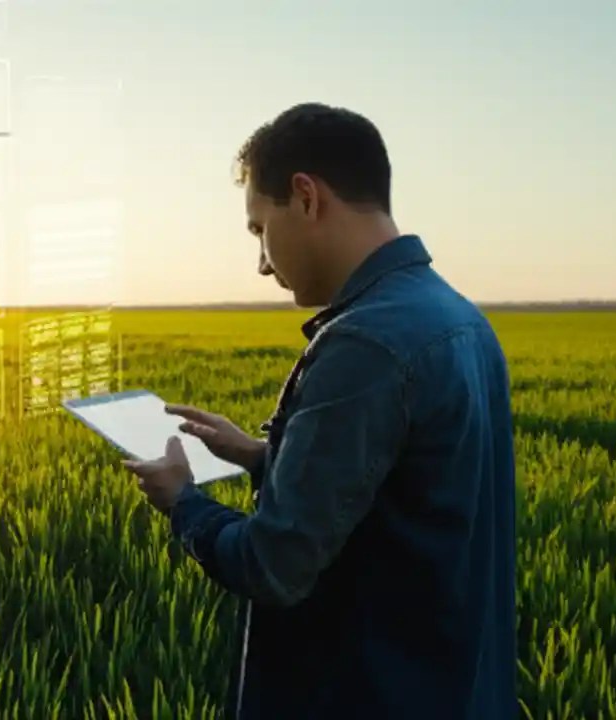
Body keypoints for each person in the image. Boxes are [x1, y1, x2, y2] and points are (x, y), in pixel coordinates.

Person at [121, 102, 518, 719]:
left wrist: (183, 501)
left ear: (306, 197)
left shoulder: (367, 342)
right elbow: (407, 498)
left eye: (259, 228)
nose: (260, 261)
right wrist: (262, 458)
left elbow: (272, 566)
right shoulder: (460, 319)